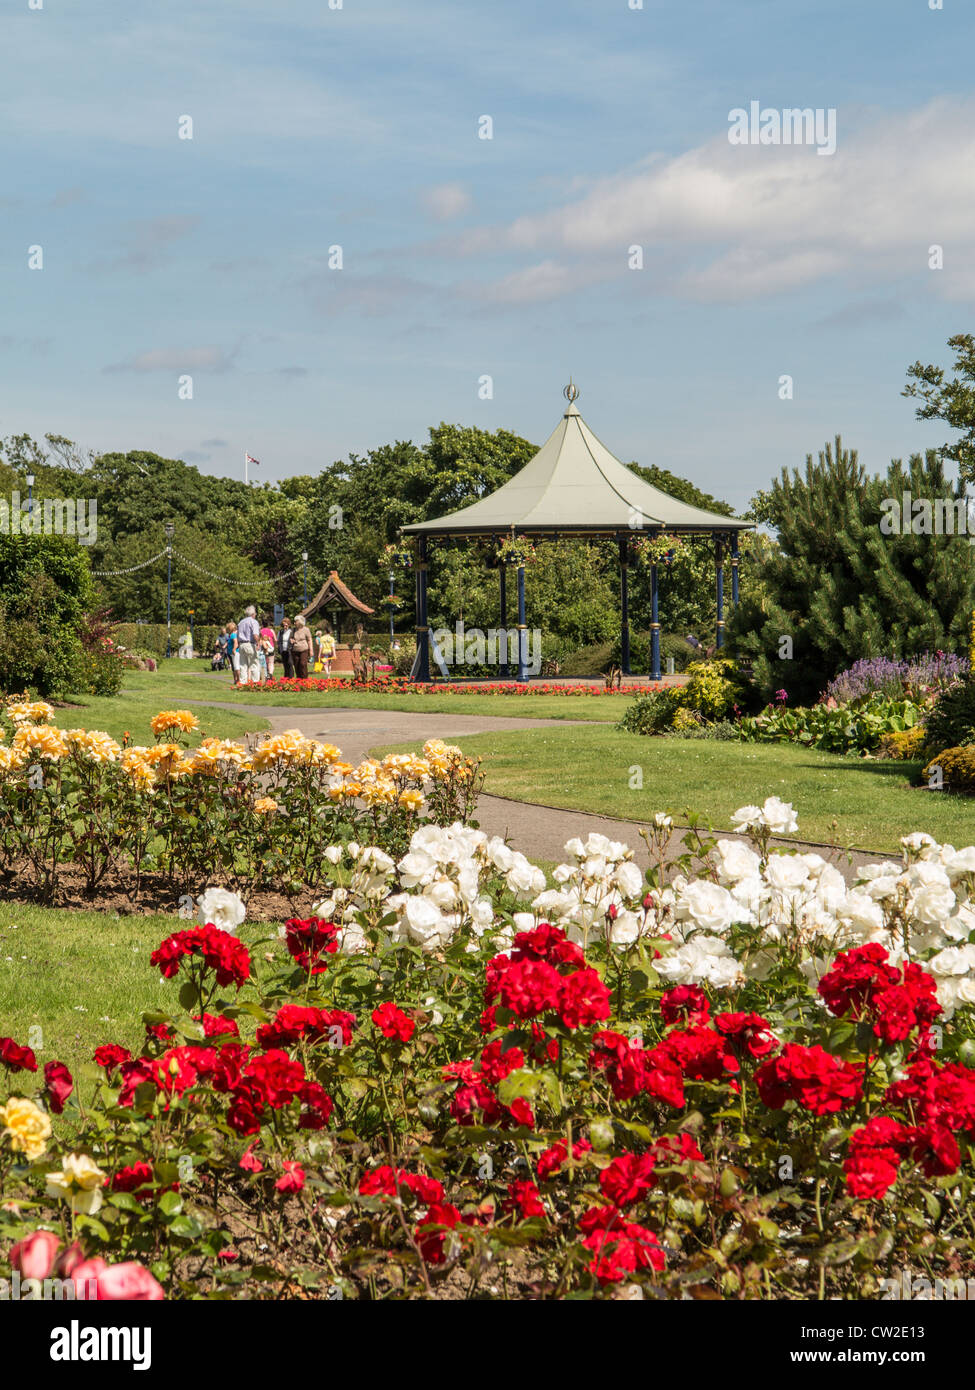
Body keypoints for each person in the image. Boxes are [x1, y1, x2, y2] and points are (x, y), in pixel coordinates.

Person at [237, 605, 262, 686]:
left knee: (243, 665)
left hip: (241, 644)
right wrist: (258, 642)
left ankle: (242, 683)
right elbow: (255, 634)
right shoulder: (253, 621)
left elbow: (237, 635)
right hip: (250, 644)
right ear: (253, 614)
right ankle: (255, 683)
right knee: (254, 664)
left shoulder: (241, 622)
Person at [291, 614, 313, 679]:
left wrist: (311, 650)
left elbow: (309, 640)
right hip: (295, 650)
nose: (294, 623)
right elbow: (291, 638)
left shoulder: (306, 629)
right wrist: (291, 640)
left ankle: (305, 679)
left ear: (300, 622)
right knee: (296, 665)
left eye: (296, 621)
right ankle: (299, 679)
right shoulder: (293, 630)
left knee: (303, 664)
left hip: (304, 649)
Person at [225, 621, 240, 685]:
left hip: (234, 653)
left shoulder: (233, 635)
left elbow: (236, 643)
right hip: (231, 653)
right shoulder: (231, 635)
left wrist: (233, 650)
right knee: (235, 667)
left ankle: (239, 680)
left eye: (227, 628)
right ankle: (237, 680)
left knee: (236, 667)